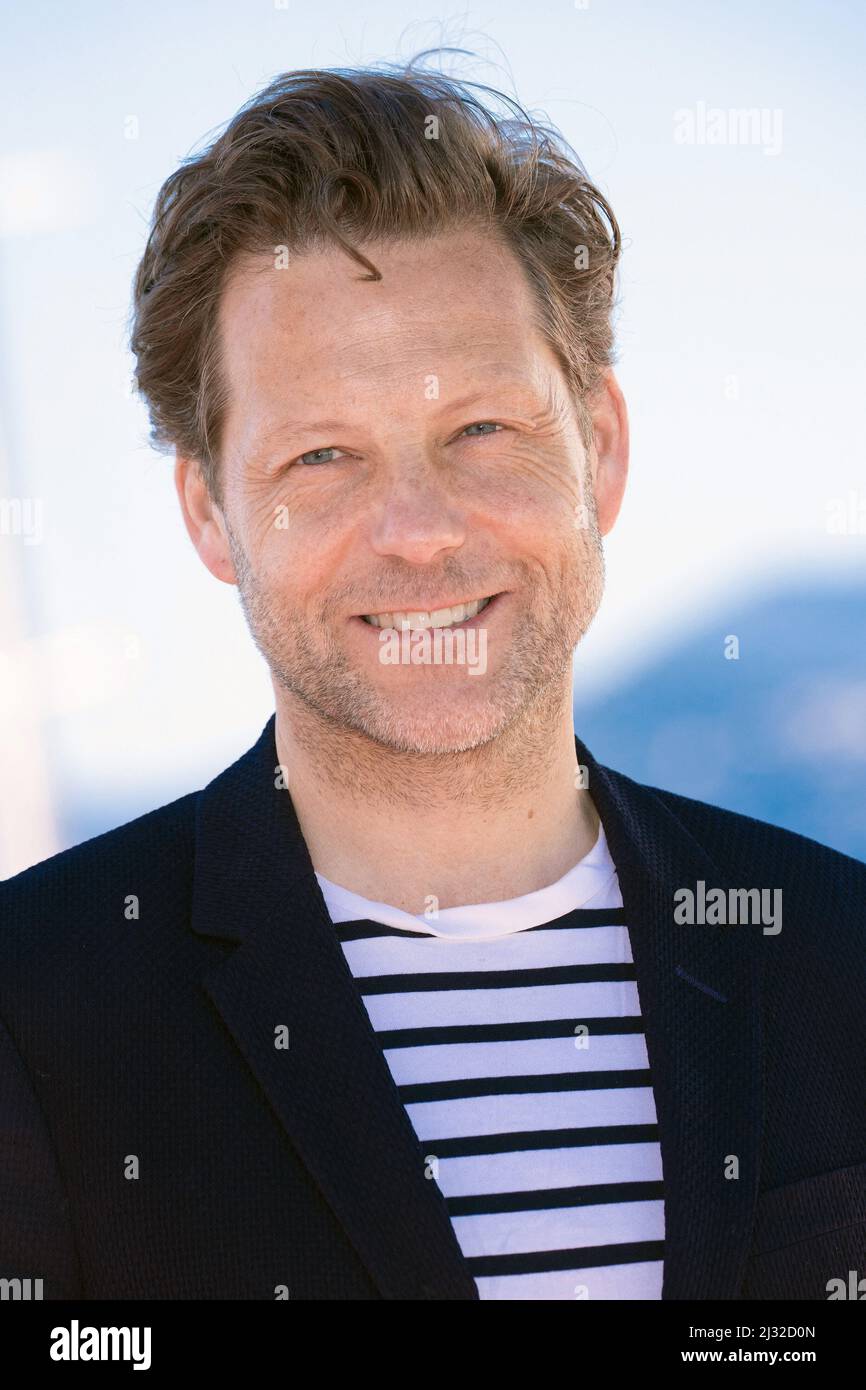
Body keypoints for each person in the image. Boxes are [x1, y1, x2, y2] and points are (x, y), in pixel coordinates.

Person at [1, 62, 864, 1302]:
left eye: (478, 429)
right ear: (209, 511)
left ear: (599, 451)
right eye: (320, 454)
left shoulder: (837, 956)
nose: (415, 529)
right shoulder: (36, 1013)